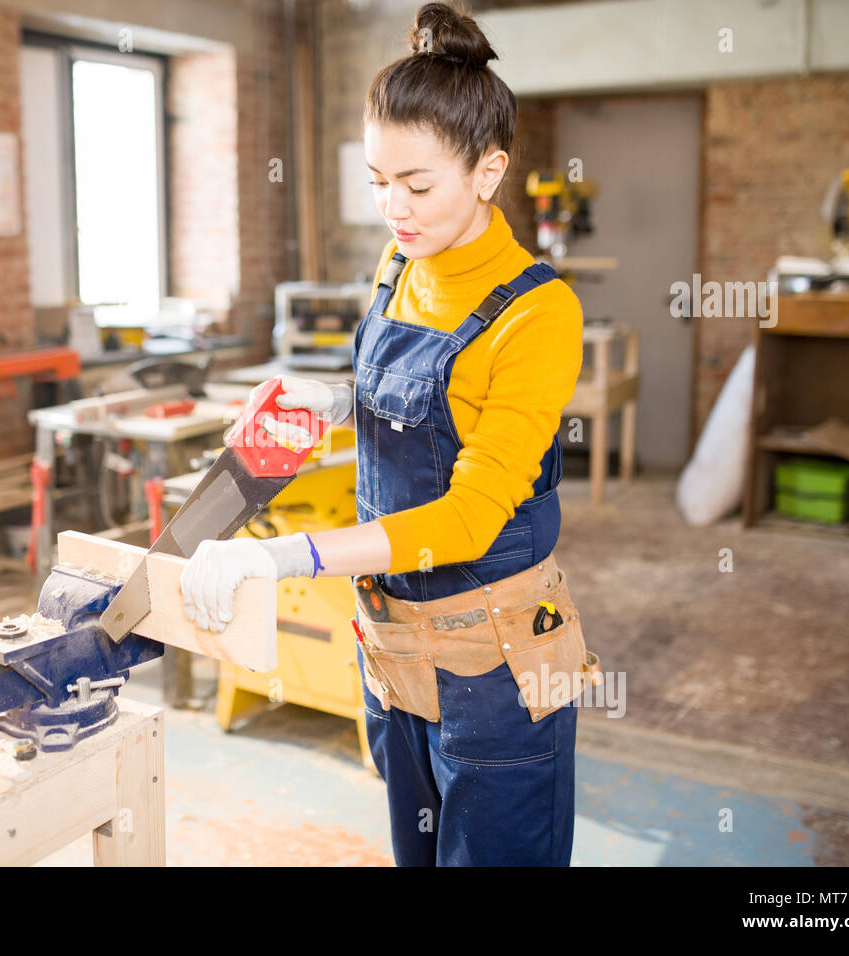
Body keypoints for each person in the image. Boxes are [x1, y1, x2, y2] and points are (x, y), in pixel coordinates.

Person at [179, 1, 594, 866]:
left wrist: (281, 557)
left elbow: (469, 519)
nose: (390, 210)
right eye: (376, 180)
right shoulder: (401, 261)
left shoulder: (538, 314)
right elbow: (404, 393)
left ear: (489, 171)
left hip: (497, 667)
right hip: (392, 647)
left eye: (415, 185)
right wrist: (324, 400)